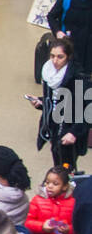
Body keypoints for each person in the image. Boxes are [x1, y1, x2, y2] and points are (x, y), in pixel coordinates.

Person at [26, 34, 89, 171]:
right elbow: (54, 99)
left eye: (60, 57)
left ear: (68, 57)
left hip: (69, 128)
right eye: (52, 56)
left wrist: (74, 133)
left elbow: (87, 110)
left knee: (67, 167)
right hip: (54, 125)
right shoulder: (48, 72)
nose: (55, 60)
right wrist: (41, 102)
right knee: (57, 159)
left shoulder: (78, 79)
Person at [47, 0, 92, 77]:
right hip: (70, 43)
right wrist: (58, 32)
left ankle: (81, 87)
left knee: (84, 75)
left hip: (88, 46)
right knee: (69, 74)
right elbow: (51, 16)